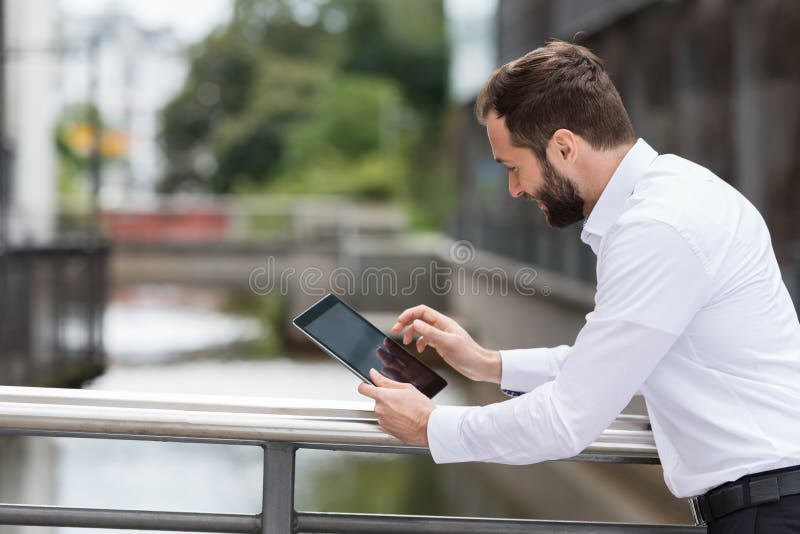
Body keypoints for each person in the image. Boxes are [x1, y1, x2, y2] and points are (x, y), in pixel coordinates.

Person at [356, 41, 800, 533]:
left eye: (513, 167)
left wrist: (432, 427)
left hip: (772, 508)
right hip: (769, 497)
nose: (515, 190)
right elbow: (606, 359)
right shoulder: (672, 196)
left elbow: (570, 417)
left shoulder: (658, 228)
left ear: (564, 147)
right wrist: (487, 363)